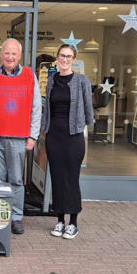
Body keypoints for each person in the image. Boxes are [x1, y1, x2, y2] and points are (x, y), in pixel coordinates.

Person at [0, 38, 41, 234]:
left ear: (20, 56)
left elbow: (36, 108)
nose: (10, 57)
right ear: (1, 55)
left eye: (14, 53)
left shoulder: (30, 76)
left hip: (19, 138)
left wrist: (33, 136)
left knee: (16, 180)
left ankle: (16, 217)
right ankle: (0, 216)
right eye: (7, 53)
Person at [41, 44, 93, 240]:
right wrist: (44, 130)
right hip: (54, 136)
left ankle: (73, 223)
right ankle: (60, 220)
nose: (65, 59)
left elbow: (88, 108)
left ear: (74, 59)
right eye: (62, 56)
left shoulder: (81, 81)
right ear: (57, 57)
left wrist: (86, 128)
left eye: (69, 57)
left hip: (73, 137)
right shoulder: (52, 80)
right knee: (57, 179)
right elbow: (48, 108)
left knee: (71, 179)